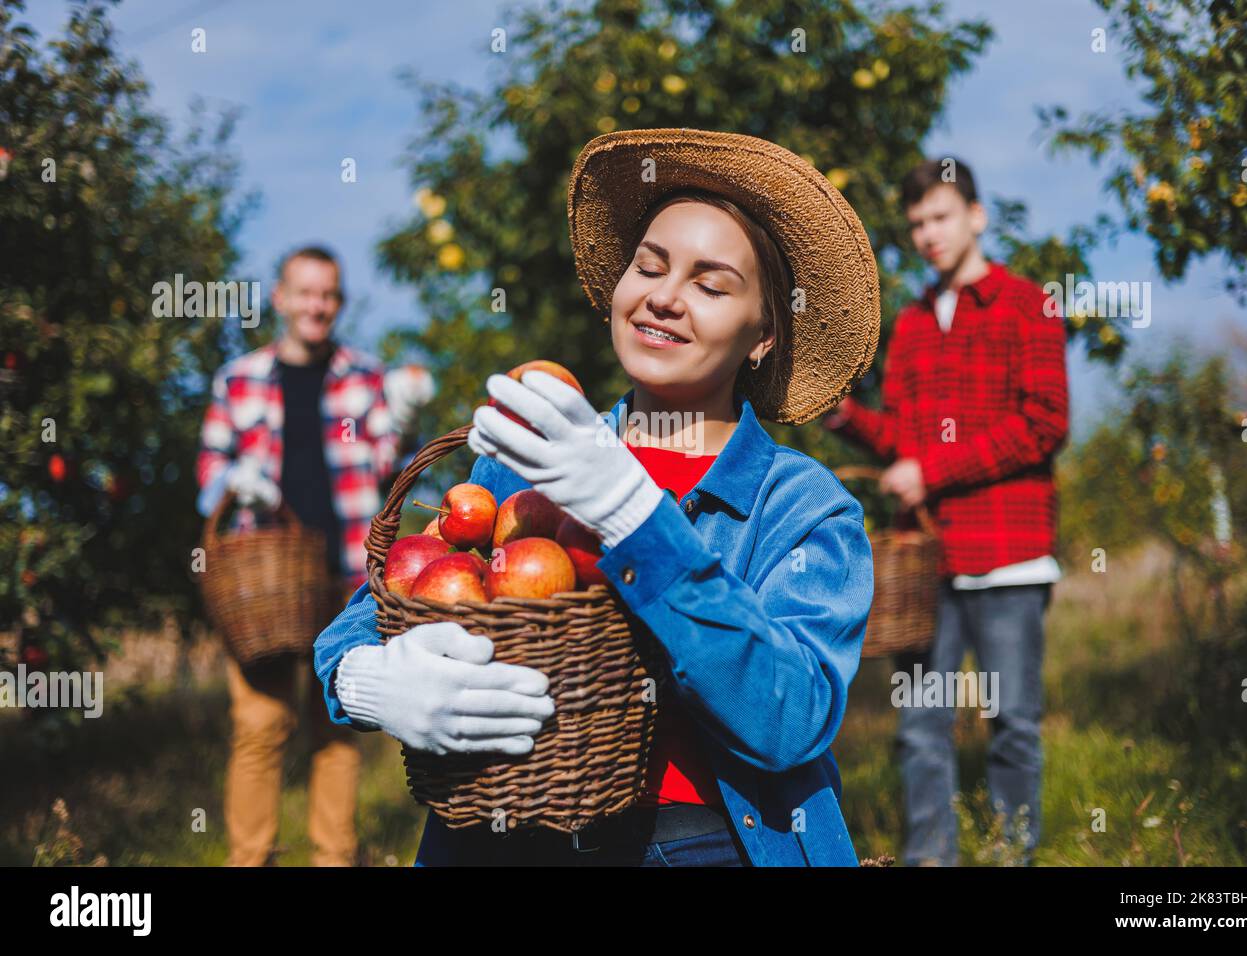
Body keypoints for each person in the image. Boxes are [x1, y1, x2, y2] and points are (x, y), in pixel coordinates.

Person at [314, 128, 882, 866]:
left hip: (706, 843)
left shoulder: (802, 508)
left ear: (765, 334)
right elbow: (361, 622)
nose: (665, 298)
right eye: (649, 267)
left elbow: (790, 719)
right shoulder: (520, 467)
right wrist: (367, 680)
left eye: (710, 286)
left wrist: (639, 521)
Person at [824, 158, 1070, 866]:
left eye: (939, 217)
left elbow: (1045, 422)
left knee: (1013, 722)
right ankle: (932, 857)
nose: (927, 234)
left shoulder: (1029, 304)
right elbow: (902, 437)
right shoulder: (910, 322)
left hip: (1007, 553)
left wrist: (931, 470)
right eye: (916, 225)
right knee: (920, 724)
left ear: (975, 215)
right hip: (926, 561)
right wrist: (846, 418)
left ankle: (1009, 855)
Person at [196, 245, 434, 866]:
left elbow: (391, 466)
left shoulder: (364, 377)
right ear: (280, 298)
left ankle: (334, 858)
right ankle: (250, 859)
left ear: (339, 303)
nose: (316, 306)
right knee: (259, 727)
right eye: (304, 293)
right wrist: (232, 481)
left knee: (337, 726)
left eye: (327, 295)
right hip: (267, 585)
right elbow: (208, 473)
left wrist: (405, 417)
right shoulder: (238, 379)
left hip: (344, 574)